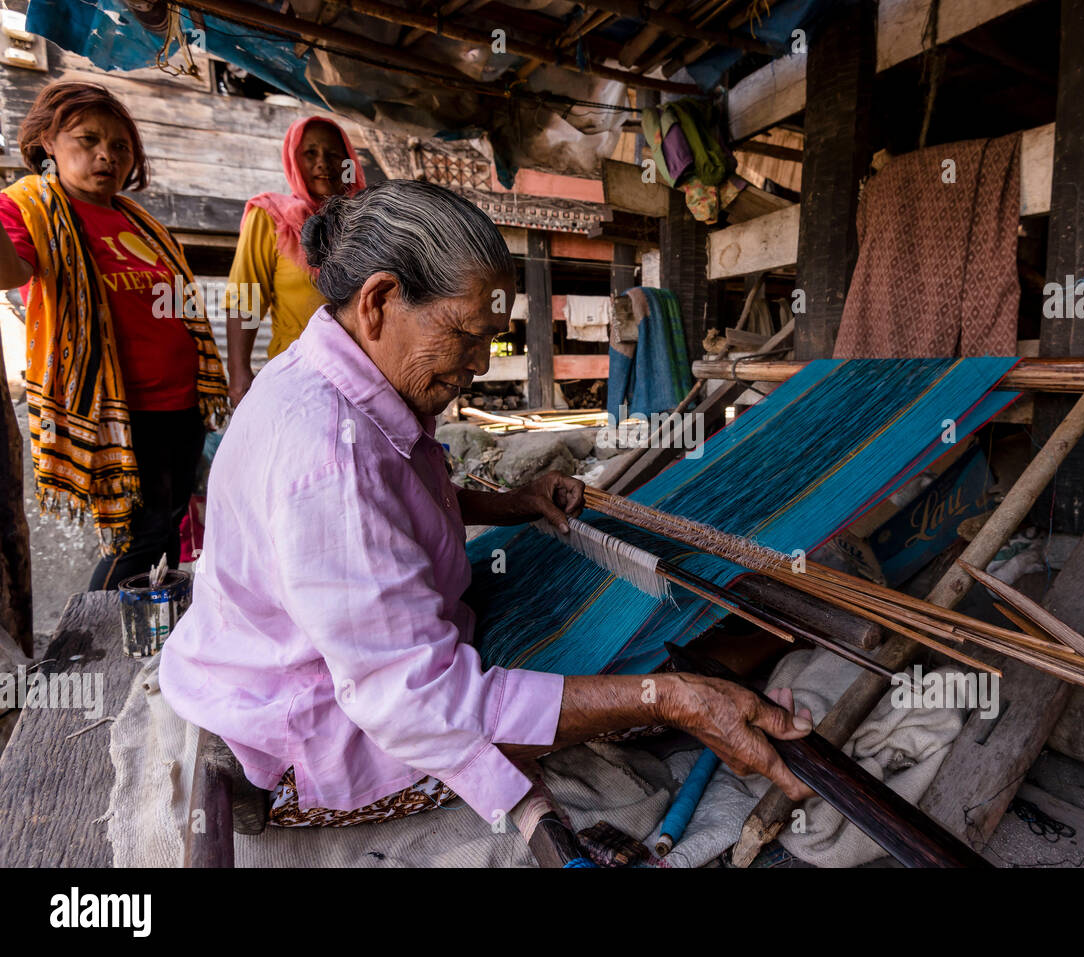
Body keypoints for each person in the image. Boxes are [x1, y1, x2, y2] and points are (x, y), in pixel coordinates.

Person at [159, 180, 812, 829]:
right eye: (468, 336)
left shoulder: (326, 377)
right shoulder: (332, 459)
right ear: (380, 300)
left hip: (286, 669)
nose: (478, 363)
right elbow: (425, 707)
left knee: (642, 649)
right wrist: (672, 700)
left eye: (492, 341)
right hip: (320, 731)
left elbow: (400, 495)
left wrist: (513, 504)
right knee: (649, 671)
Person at [0, 81, 228, 589]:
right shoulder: (30, 207)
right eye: (88, 140)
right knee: (138, 541)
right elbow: (11, 273)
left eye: (121, 145)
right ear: (48, 145)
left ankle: (152, 646)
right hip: (119, 413)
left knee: (169, 532)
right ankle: (98, 651)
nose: (107, 155)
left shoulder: (140, 221)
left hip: (180, 407)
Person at [224, 116, 366, 408]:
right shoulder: (270, 216)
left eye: (333, 155)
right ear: (292, 160)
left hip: (364, 378)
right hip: (299, 376)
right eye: (310, 153)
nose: (322, 163)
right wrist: (238, 374)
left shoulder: (368, 223)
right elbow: (246, 296)